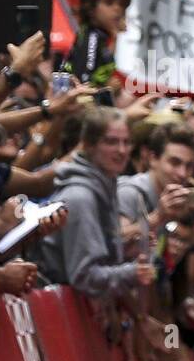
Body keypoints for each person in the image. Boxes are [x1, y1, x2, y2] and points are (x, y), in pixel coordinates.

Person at [33, 107, 155, 299]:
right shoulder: (80, 197)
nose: (122, 151)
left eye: (126, 142)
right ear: (88, 145)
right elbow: (84, 276)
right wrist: (133, 272)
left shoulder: (105, 185)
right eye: (111, 142)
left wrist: (123, 251)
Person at [62, 0, 131, 104]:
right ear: (91, 8)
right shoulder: (91, 38)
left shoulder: (101, 36)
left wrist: (115, 36)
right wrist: (106, 88)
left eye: (121, 4)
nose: (117, 9)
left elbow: (103, 67)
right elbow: (83, 86)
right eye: (109, 3)